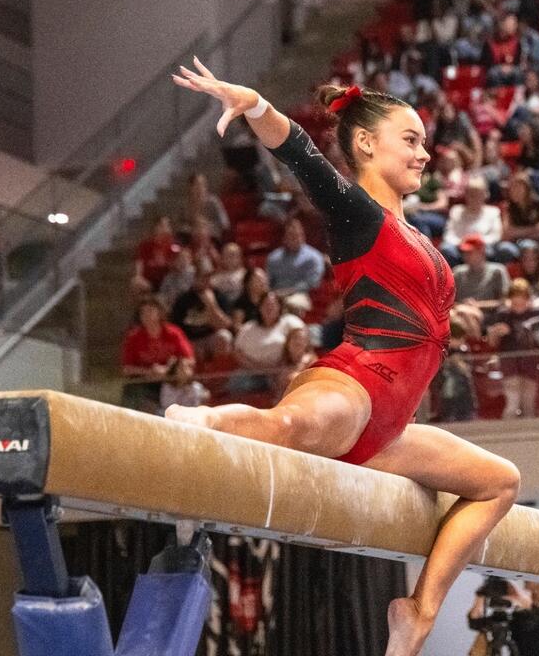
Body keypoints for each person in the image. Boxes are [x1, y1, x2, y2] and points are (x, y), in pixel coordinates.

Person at [170, 62, 520, 655]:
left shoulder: (414, 232)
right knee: (288, 427)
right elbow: (301, 155)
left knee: (499, 483)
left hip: (391, 428)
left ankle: (418, 613)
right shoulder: (360, 211)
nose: (424, 154)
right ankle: (199, 423)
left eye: (424, 143)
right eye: (410, 140)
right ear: (366, 143)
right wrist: (257, 105)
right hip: (357, 384)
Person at [486, 279, 539, 420]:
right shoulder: (503, 315)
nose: (518, 305)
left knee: (528, 405)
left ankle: (529, 433)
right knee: (513, 403)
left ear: (528, 299)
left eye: (522, 301)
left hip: (530, 364)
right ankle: (506, 431)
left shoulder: (537, 313)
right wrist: (495, 333)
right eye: (515, 301)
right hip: (509, 365)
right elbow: (492, 343)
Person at [121, 296, 196, 413]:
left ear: (159, 313)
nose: (146, 315)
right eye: (143, 312)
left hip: (171, 380)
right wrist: (150, 371)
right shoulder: (134, 337)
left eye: (150, 311)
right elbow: (126, 369)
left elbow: (189, 359)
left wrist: (168, 369)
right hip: (146, 381)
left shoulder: (174, 333)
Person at [265, 217, 326, 295]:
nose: (297, 238)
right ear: (284, 238)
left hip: (301, 295)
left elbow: (312, 284)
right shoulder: (273, 257)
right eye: (291, 235)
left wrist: (288, 292)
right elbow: (268, 282)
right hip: (276, 295)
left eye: (299, 234)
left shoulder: (314, 257)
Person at [452, 234, 511, 304]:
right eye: (464, 252)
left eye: (470, 252)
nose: (465, 255)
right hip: (461, 310)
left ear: (481, 252)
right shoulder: (458, 273)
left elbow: (505, 301)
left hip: (490, 311)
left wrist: (478, 305)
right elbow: (450, 302)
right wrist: (463, 305)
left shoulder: (497, 271)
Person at [132, 216, 178, 294]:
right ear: (156, 227)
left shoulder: (173, 244)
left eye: (168, 225)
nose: (166, 228)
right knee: (136, 282)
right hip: (149, 280)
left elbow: (178, 256)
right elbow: (140, 262)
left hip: (166, 280)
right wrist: (138, 275)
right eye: (163, 225)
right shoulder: (145, 245)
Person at [179, 173, 230, 240]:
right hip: (191, 236)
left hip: (212, 237)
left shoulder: (213, 202)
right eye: (197, 185)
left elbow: (225, 224)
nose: (201, 188)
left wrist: (205, 225)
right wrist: (194, 226)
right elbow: (179, 225)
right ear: (190, 187)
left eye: (203, 185)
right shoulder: (185, 205)